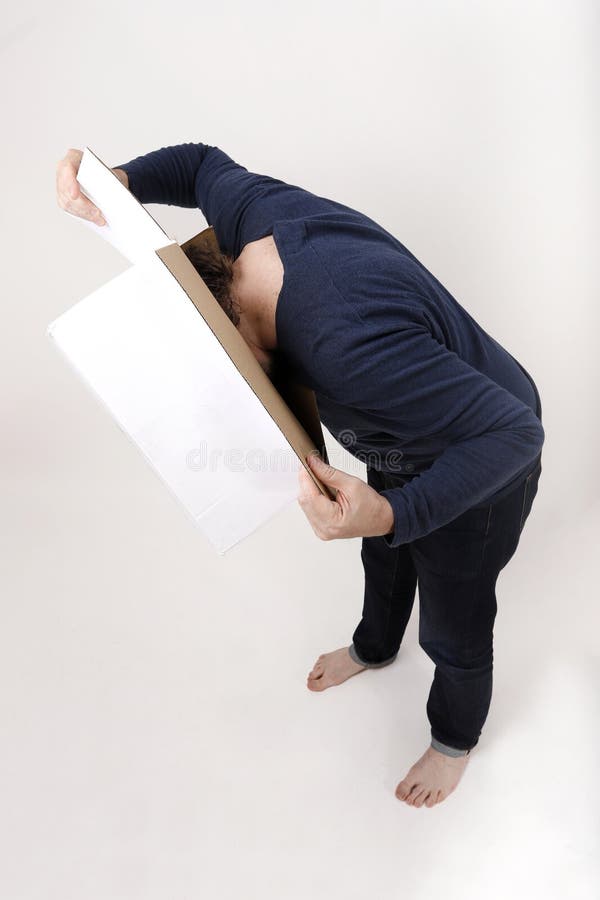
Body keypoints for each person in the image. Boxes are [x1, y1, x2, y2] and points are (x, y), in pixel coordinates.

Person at [56, 143, 544, 809]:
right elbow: (200, 165)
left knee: (452, 625)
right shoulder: (248, 225)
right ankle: (374, 649)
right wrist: (121, 183)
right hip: (399, 430)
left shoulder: (346, 343)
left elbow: (515, 432)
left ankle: (454, 739)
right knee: (382, 558)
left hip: (479, 449)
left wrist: (398, 512)